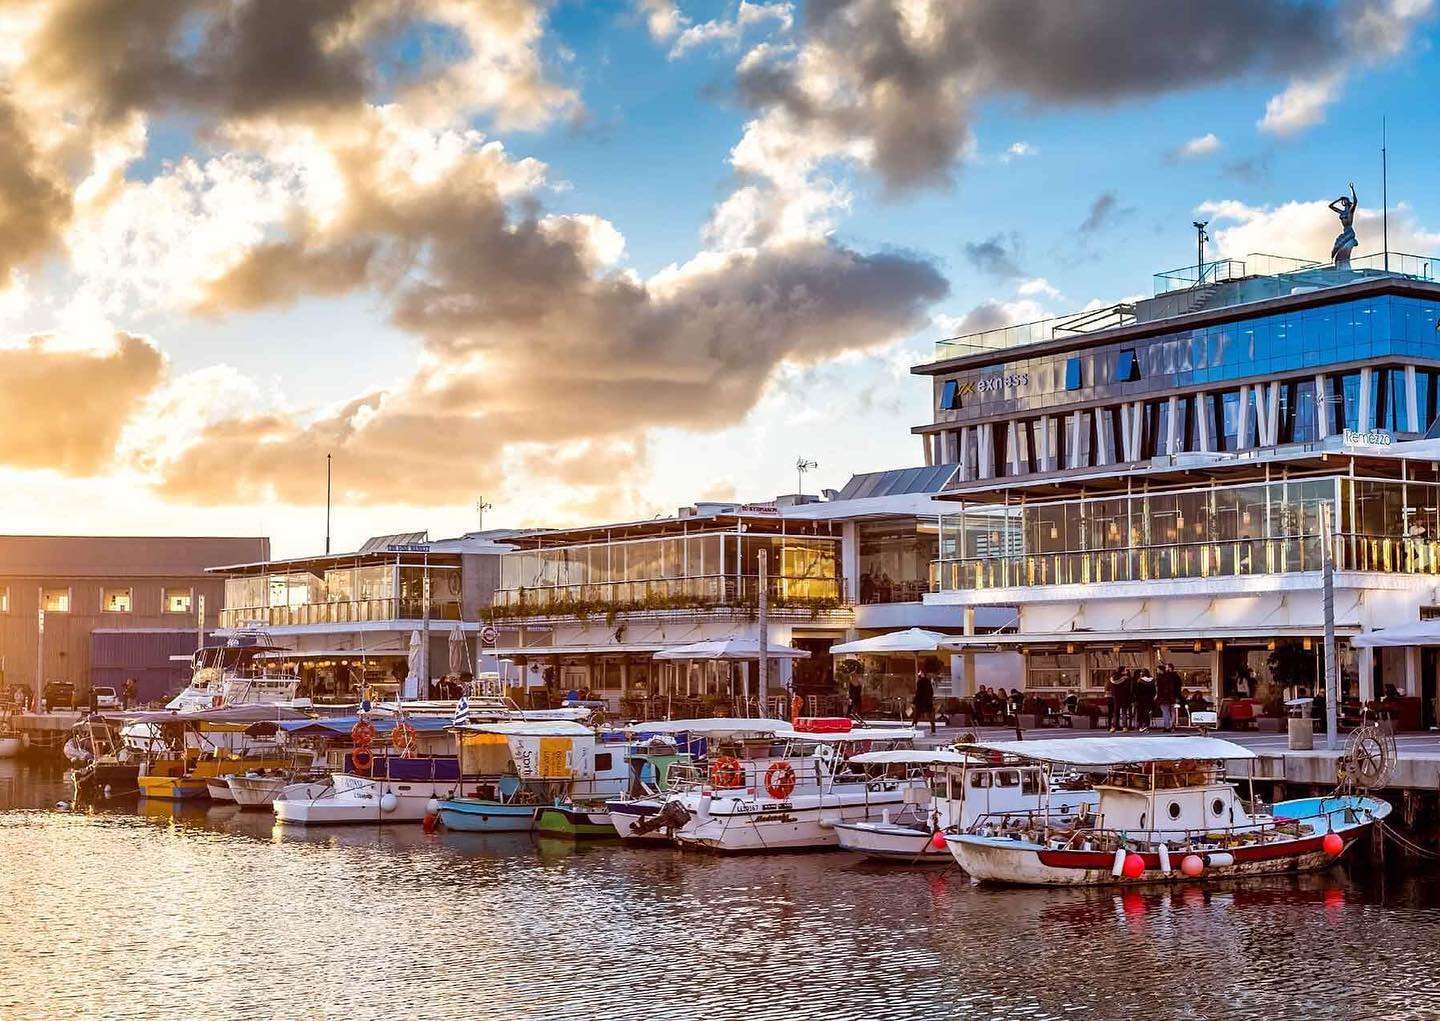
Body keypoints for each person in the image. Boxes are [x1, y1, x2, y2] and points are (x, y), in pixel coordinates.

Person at [1155, 662, 1180, 733]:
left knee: (1166, 712)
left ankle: (1167, 726)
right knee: (1173, 712)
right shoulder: (1175, 676)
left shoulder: (1162, 677)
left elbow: (1160, 689)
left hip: (1165, 697)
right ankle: (1173, 725)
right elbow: (1177, 687)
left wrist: (1158, 697)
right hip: (1172, 697)